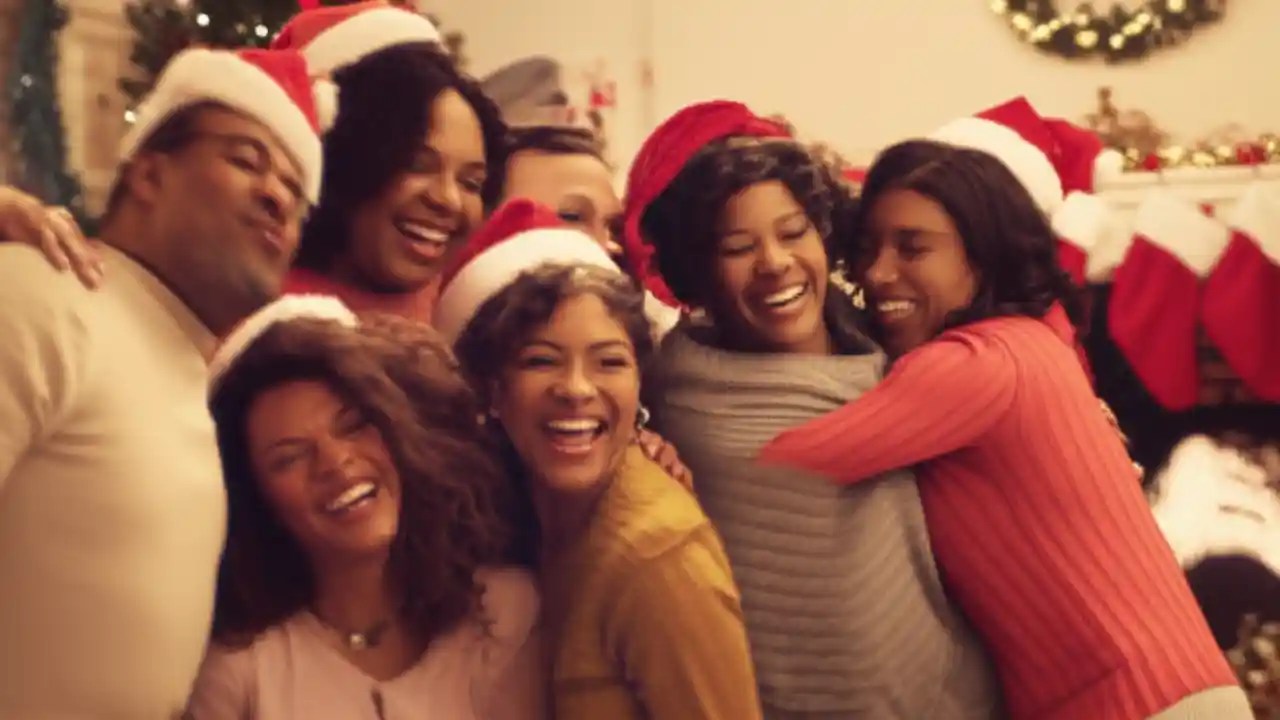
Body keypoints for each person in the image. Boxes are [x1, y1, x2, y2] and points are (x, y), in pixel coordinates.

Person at [760, 139, 1250, 720]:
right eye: (867, 249)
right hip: (1165, 694)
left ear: (983, 257)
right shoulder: (1028, 343)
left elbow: (776, 469)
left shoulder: (970, 366)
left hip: (1136, 704)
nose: (876, 272)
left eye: (912, 248)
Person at [630, 101, 1004, 719]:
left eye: (793, 231)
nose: (774, 262)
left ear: (823, 235)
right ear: (698, 273)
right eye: (737, 246)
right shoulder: (680, 399)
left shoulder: (903, 355)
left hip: (954, 691)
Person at [0, 48, 325, 718]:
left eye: (297, 196)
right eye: (246, 160)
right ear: (148, 172)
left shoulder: (190, 380)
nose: (277, 198)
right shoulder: (40, 297)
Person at [436, 198, 762, 720]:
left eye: (609, 361)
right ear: (492, 390)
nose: (577, 389)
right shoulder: (509, 514)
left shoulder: (656, 556)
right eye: (541, 361)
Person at [185, 296, 542, 719]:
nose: (336, 463)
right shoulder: (237, 672)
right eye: (290, 457)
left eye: (354, 427)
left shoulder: (502, 612)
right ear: (256, 499)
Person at [271, 1, 507, 320]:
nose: (448, 199)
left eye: (471, 183)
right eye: (417, 164)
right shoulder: (260, 326)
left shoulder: (473, 326)